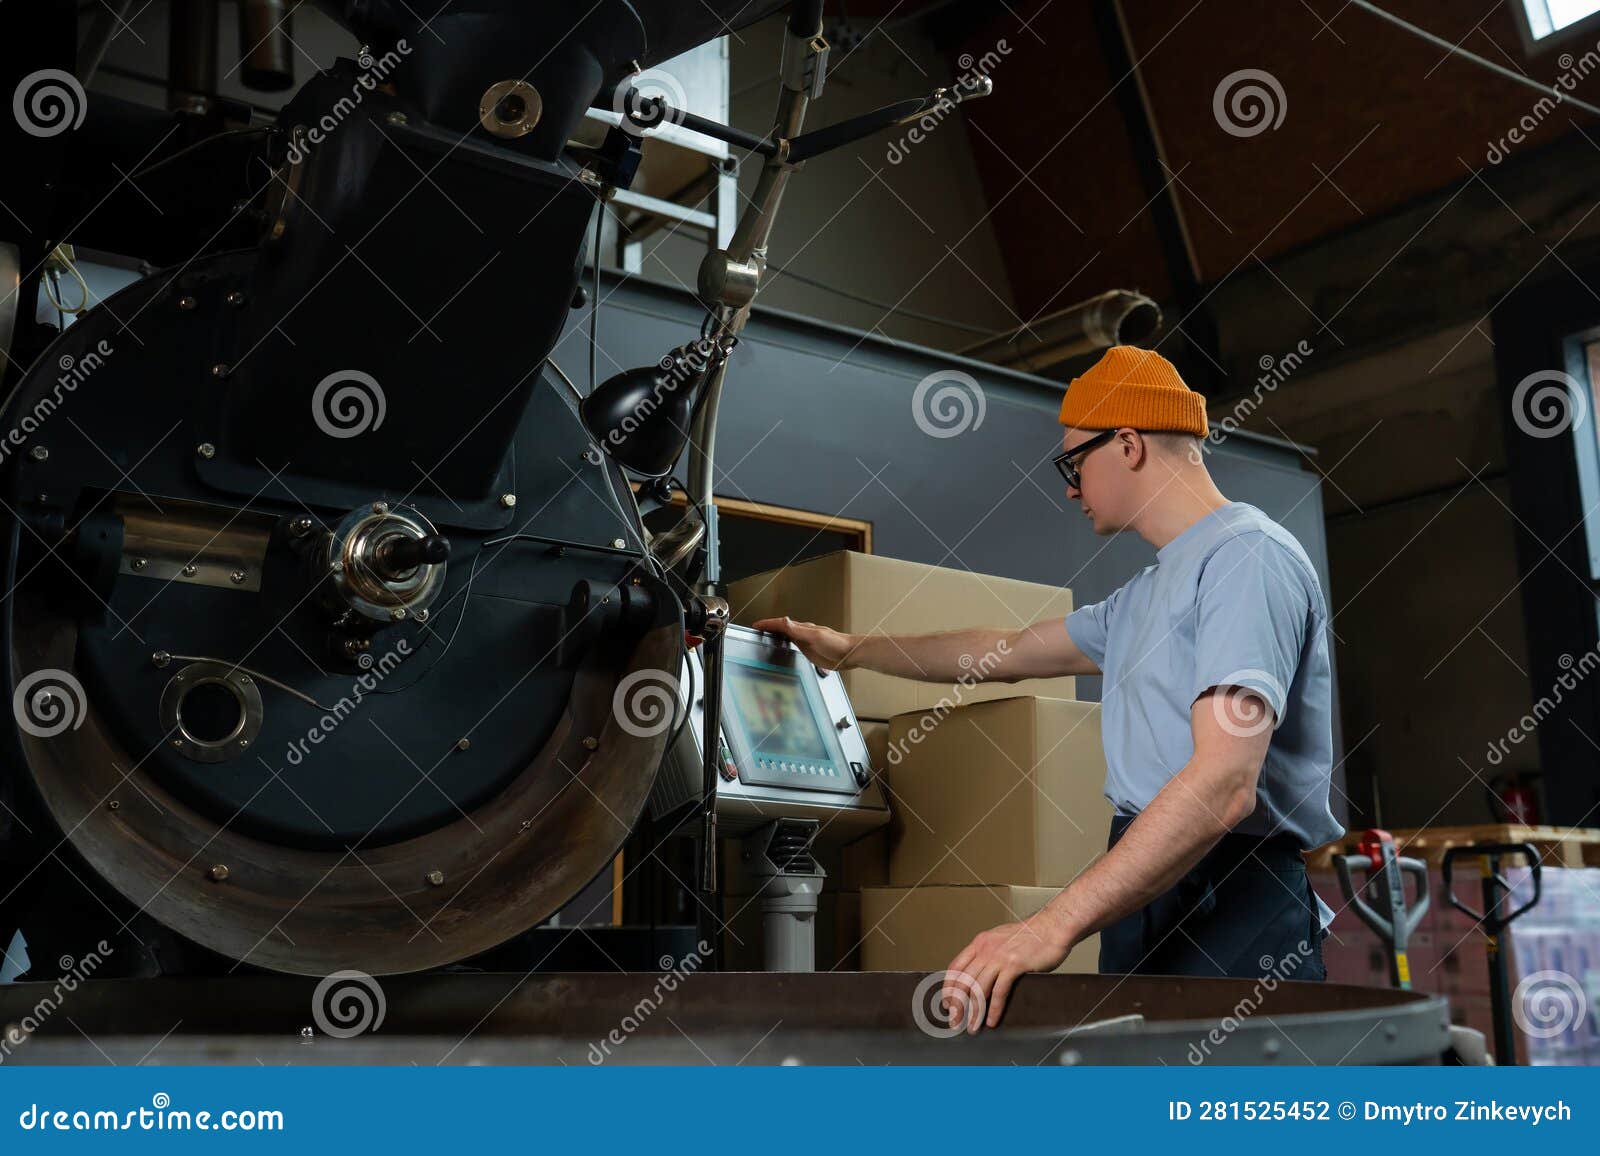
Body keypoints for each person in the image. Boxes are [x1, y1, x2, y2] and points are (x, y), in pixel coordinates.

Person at [753, 345, 1343, 1034]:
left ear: (1127, 444)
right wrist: (851, 650)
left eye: (1074, 462)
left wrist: (1049, 926)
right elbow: (1002, 652)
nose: (1069, 487)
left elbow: (1222, 785)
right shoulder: (1144, 596)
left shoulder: (1247, 561)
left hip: (1233, 891)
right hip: (1151, 884)